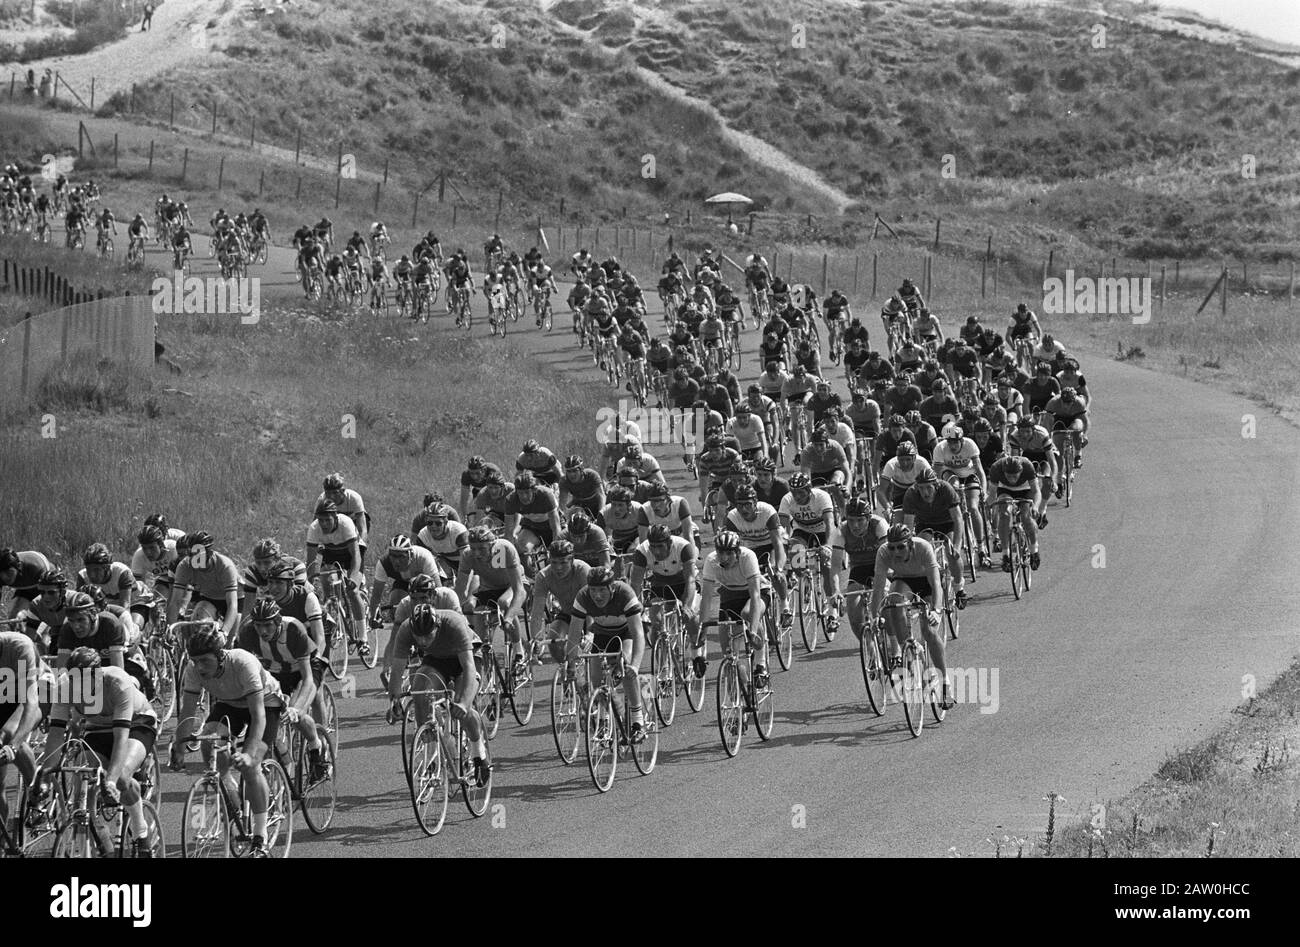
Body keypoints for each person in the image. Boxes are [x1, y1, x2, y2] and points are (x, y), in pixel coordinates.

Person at [386, 603, 490, 785]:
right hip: (436, 659)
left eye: (428, 635)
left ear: (437, 626)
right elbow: (396, 670)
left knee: (462, 706)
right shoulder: (406, 630)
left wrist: (464, 703)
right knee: (419, 688)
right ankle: (432, 752)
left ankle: (478, 753)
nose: (423, 641)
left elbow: (469, 668)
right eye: (419, 637)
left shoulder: (454, 623)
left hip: (466, 657)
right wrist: (394, 702)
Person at [870, 525, 954, 709]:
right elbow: (877, 589)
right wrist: (874, 616)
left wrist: (937, 611)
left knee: (929, 631)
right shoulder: (883, 553)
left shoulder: (923, 547)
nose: (895, 552)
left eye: (900, 547)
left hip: (927, 582)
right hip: (905, 581)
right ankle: (909, 651)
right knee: (893, 602)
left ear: (910, 544)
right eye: (892, 547)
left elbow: (936, 583)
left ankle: (945, 681)